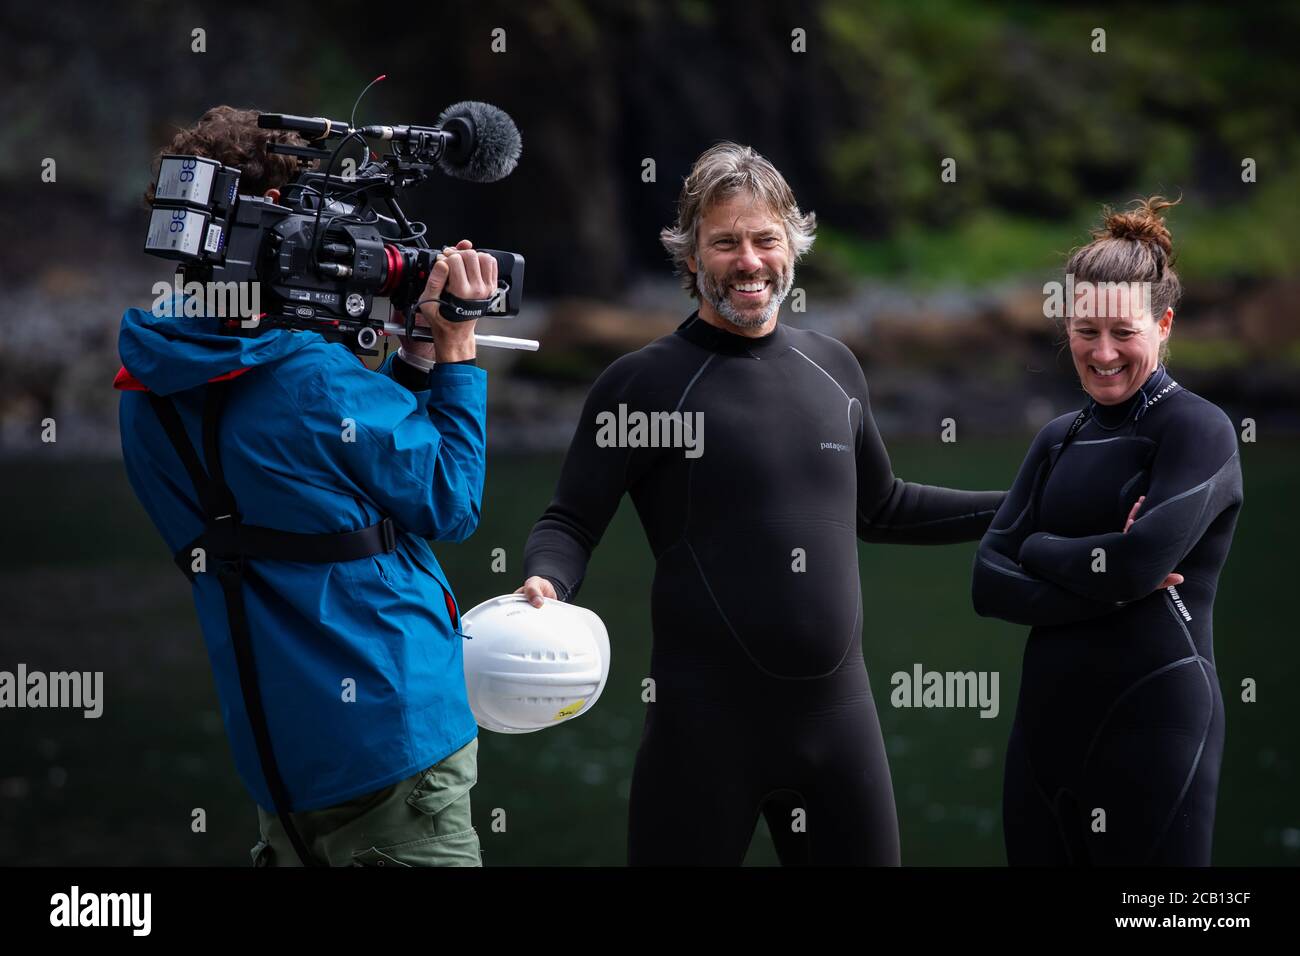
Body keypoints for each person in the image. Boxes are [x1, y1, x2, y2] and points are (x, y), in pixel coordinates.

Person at [517, 142, 1005, 865]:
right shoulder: (642, 386)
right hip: (701, 734)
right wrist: (547, 582)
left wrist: (1028, 503)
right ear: (690, 256)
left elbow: (885, 507)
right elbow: (571, 521)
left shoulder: (833, 368)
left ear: (793, 246)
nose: (749, 261)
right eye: (725, 242)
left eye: (765, 239)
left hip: (840, 729)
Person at [117, 106, 496, 866]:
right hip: (395, 741)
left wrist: (411, 362)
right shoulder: (311, 376)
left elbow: (319, 479)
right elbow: (449, 501)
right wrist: (455, 354)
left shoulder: (142, 388)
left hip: (278, 757)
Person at [971, 197, 1244, 866]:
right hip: (1043, 737)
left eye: (1124, 332)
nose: (1103, 352)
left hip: (1155, 724)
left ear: (1164, 323)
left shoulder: (1196, 430)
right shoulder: (1058, 439)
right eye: (1085, 330)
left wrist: (1037, 549)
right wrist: (1106, 569)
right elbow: (987, 581)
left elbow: (1131, 564)